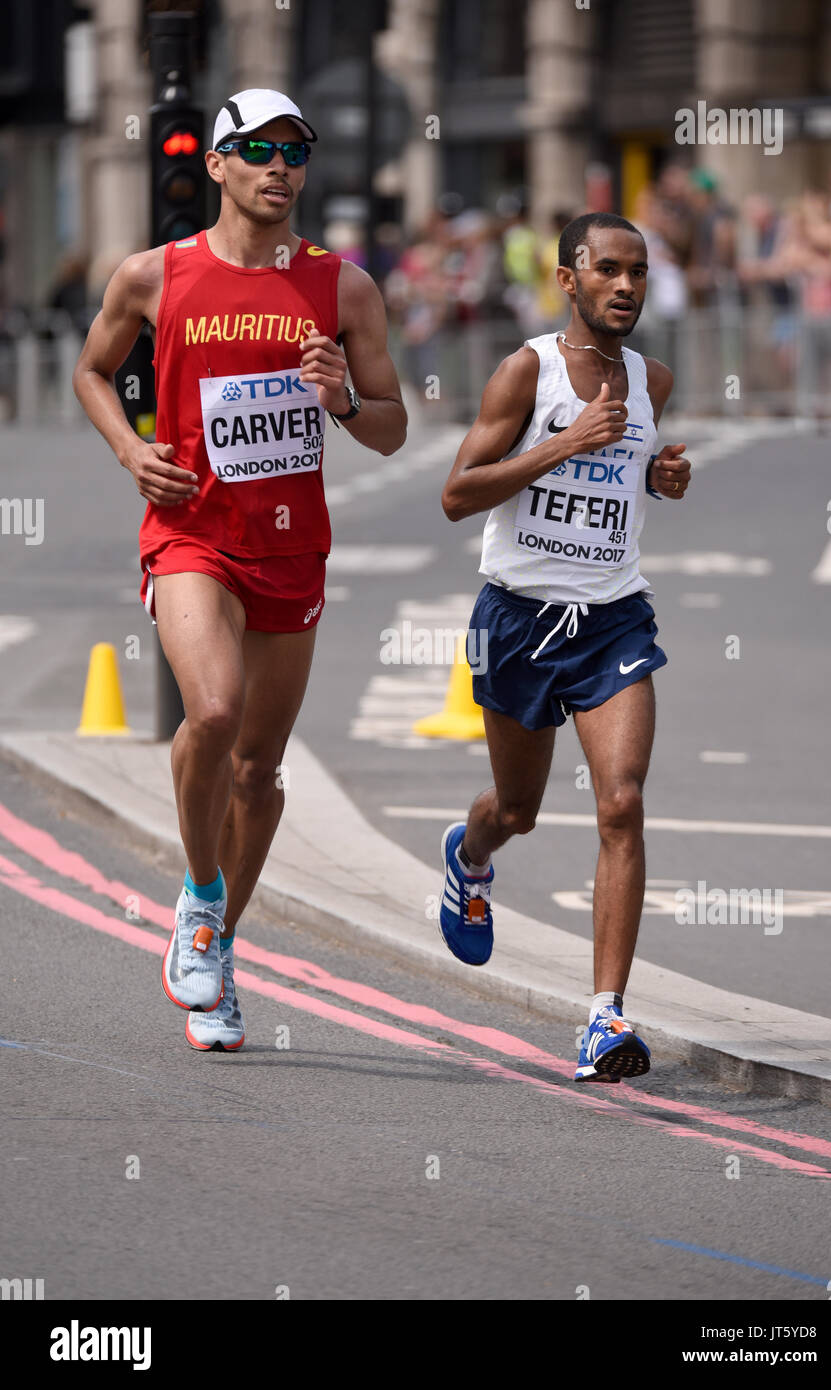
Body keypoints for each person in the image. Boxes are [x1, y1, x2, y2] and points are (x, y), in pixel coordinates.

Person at [73, 88, 407, 1051]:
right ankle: (200, 893)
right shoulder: (152, 275)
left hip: (291, 545)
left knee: (258, 773)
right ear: (214, 164)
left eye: (294, 151)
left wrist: (343, 400)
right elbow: (93, 371)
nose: (278, 166)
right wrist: (131, 452)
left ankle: (216, 953)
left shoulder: (343, 289)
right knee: (211, 714)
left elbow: (391, 430)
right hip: (190, 534)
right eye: (256, 148)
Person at [438, 212, 690, 1084]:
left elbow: (639, 466)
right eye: (608, 270)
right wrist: (562, 443)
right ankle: (470, 860)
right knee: (517, 811)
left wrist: (663, 473)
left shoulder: (653, 378)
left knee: (620, 802)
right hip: (516, 618)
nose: (625, 286)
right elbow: (457, 494)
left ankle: (603, 1019)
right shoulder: (526, 371)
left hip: (613, 617)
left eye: (638, 273)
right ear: (568, 280)